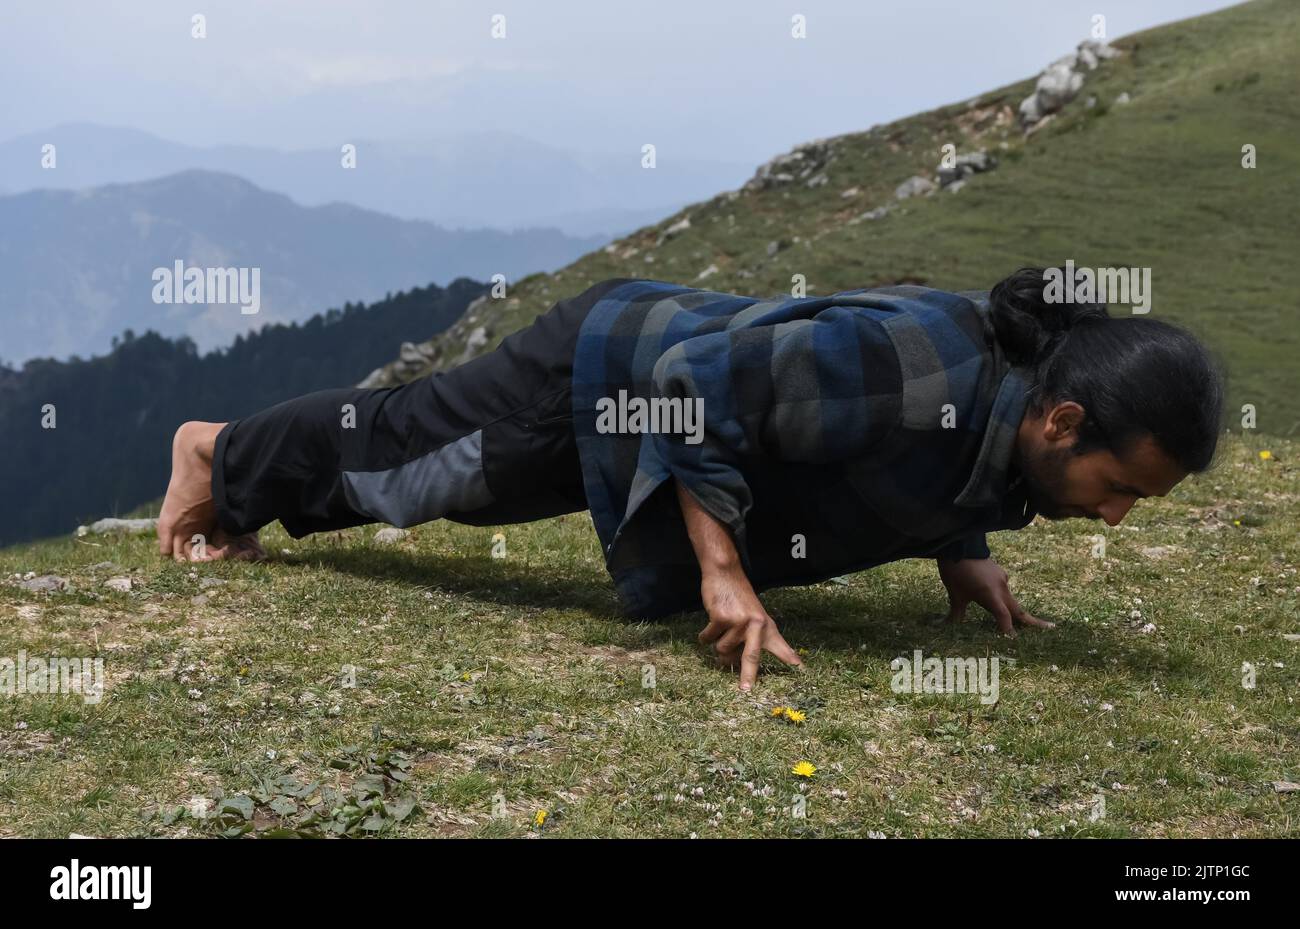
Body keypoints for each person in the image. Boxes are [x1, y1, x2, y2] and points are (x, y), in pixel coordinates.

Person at [158, 268, 1224, 690]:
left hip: (653, 418)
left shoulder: (1013, 420)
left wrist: (964, 553)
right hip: (620, 364)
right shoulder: (918, 362)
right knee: (412, 460)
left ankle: (245, 483)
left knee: (416, 478)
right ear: (1064, 417)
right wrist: (722, 571)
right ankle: (216, 450)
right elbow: (689, 381)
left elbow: (943, 458)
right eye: (1119, 483)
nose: (1117, 515)